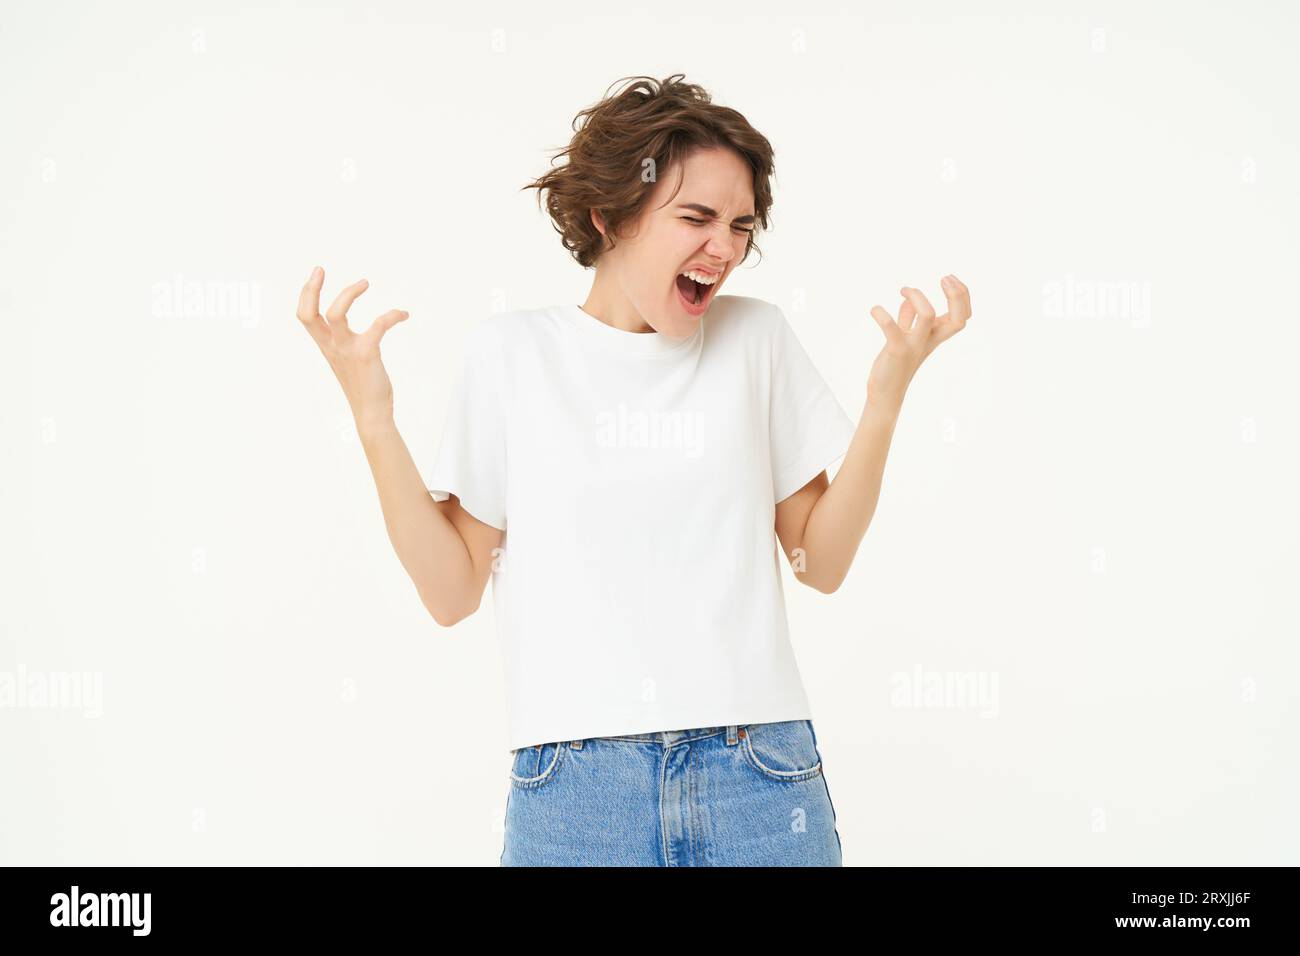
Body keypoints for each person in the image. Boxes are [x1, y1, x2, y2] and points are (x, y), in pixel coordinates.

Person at [295, 73, 971, 866]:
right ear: (610, 216)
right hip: (577, 796)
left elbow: (818, 563)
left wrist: (885, 400)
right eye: (697, 218)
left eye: (740, 225)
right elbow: (450, 594)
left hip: (758, 776)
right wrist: (373, 417)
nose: (725, 249)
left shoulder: (756, 340)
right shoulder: (513, 356)